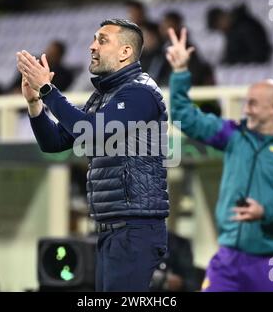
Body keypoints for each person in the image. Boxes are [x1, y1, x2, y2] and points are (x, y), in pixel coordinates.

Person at [166, 27, 273, 292]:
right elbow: (184, 117)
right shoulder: (234, 135)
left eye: (252, 103)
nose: (245, 108)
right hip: (228, 257)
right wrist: (181, 72)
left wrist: (266, 212)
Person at [16, 19, 169, 292]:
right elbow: (53, 143)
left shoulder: (141, 92)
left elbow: (92, 131)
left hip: (136, 228)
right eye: (93, 40)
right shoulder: (103, 96)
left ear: (125, 52)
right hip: (111, 227)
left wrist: (48, 90)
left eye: (102, 40)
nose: (91, 47)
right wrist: (34, 103)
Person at [207, 4, 273, 65]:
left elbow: (259, 55)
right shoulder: (232, 30)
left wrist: (233, 60)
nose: (221, 30)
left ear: (221, 18)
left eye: (218, 26)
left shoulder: (246, 26)